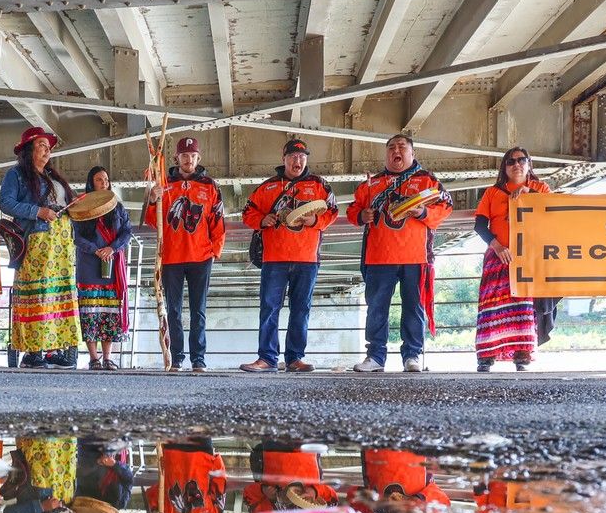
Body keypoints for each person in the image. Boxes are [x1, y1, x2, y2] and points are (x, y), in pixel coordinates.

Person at [347, 135, 453, 372]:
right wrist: (362, 215)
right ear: (386, 155)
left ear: (412, 153)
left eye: (402, 147)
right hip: (378, 256)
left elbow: (446, 206)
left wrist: (422, 212)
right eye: (391, 148)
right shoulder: (371, 184)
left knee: (414, 307)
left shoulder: (428, 180)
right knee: (376, 308)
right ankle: (375, 356)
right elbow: (353, 210)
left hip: (415, 257)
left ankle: (412, 355)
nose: (397, 151)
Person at [240, 139, 338, 373]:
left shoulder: (319, 185)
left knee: (300, 309)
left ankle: (295, 358)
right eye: (293, 156)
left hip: (307, 259)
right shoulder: (266, 187)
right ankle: (267, 358)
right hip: (274, 258)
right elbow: (247, 212)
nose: (298, 161)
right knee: (269, 308)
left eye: (302, 156)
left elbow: (333, 212)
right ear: (283, 159)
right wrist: (262, 220)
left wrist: (316, 220)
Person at [0, 127, 81, 369]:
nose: (47, 150)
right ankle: (33, 352)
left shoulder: (51, 176)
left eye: (48, 147)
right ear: (29, 150)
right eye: (42, 146)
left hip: (62, 244)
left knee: (58, 295)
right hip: (37, 241)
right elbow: (6, 203)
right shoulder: (16, 175)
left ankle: (57, 349)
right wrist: (38, 211)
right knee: (38, 296)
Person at [144, 137, 225, 372]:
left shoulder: (210, 186)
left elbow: (218, 220)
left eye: (193, 155)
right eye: (184, 155)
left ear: (198, 158)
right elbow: (153, 221)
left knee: (199, 310)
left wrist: (214, 251)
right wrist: (152, 199)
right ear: (176, 158)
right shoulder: (164, 183)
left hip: (201, 257)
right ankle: (177, 357)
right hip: (171, 257)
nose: (189, 160)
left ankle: (198, 359)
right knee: (174, 310)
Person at [473, 148, 551, 372]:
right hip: (498, 256)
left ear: (529, 164)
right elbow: (480, 225)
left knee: (523, 306)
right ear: (504, 167)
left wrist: (529, 194)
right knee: (492, 306)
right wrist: (497, 246)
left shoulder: (540, 189)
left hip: (527, 257)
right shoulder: (492, 193)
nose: (516, 165)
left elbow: (554, 212)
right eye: (510, 161)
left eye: (521, 160)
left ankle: (522, 356)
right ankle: (486, 356)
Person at [74, 166, 132, 370]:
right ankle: (93, 358)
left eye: (106, 180)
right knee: (90, 313)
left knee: (109, 313)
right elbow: (76, 236)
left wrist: (112, 248)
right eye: (99, 180)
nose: (104, 183)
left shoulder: (117, 208)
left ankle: (108, 357)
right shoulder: (81, 207)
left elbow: (127, 232)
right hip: (89, 266)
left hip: (112, 264)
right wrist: (95, 249)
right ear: (91, 183)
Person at [74, 437, 135, 513]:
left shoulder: (85, 504)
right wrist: (115, 465)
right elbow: (128, 481)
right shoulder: (120, 504)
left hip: (90, 451)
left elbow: (78, 476)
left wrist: (98, 462)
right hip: (116, 452)